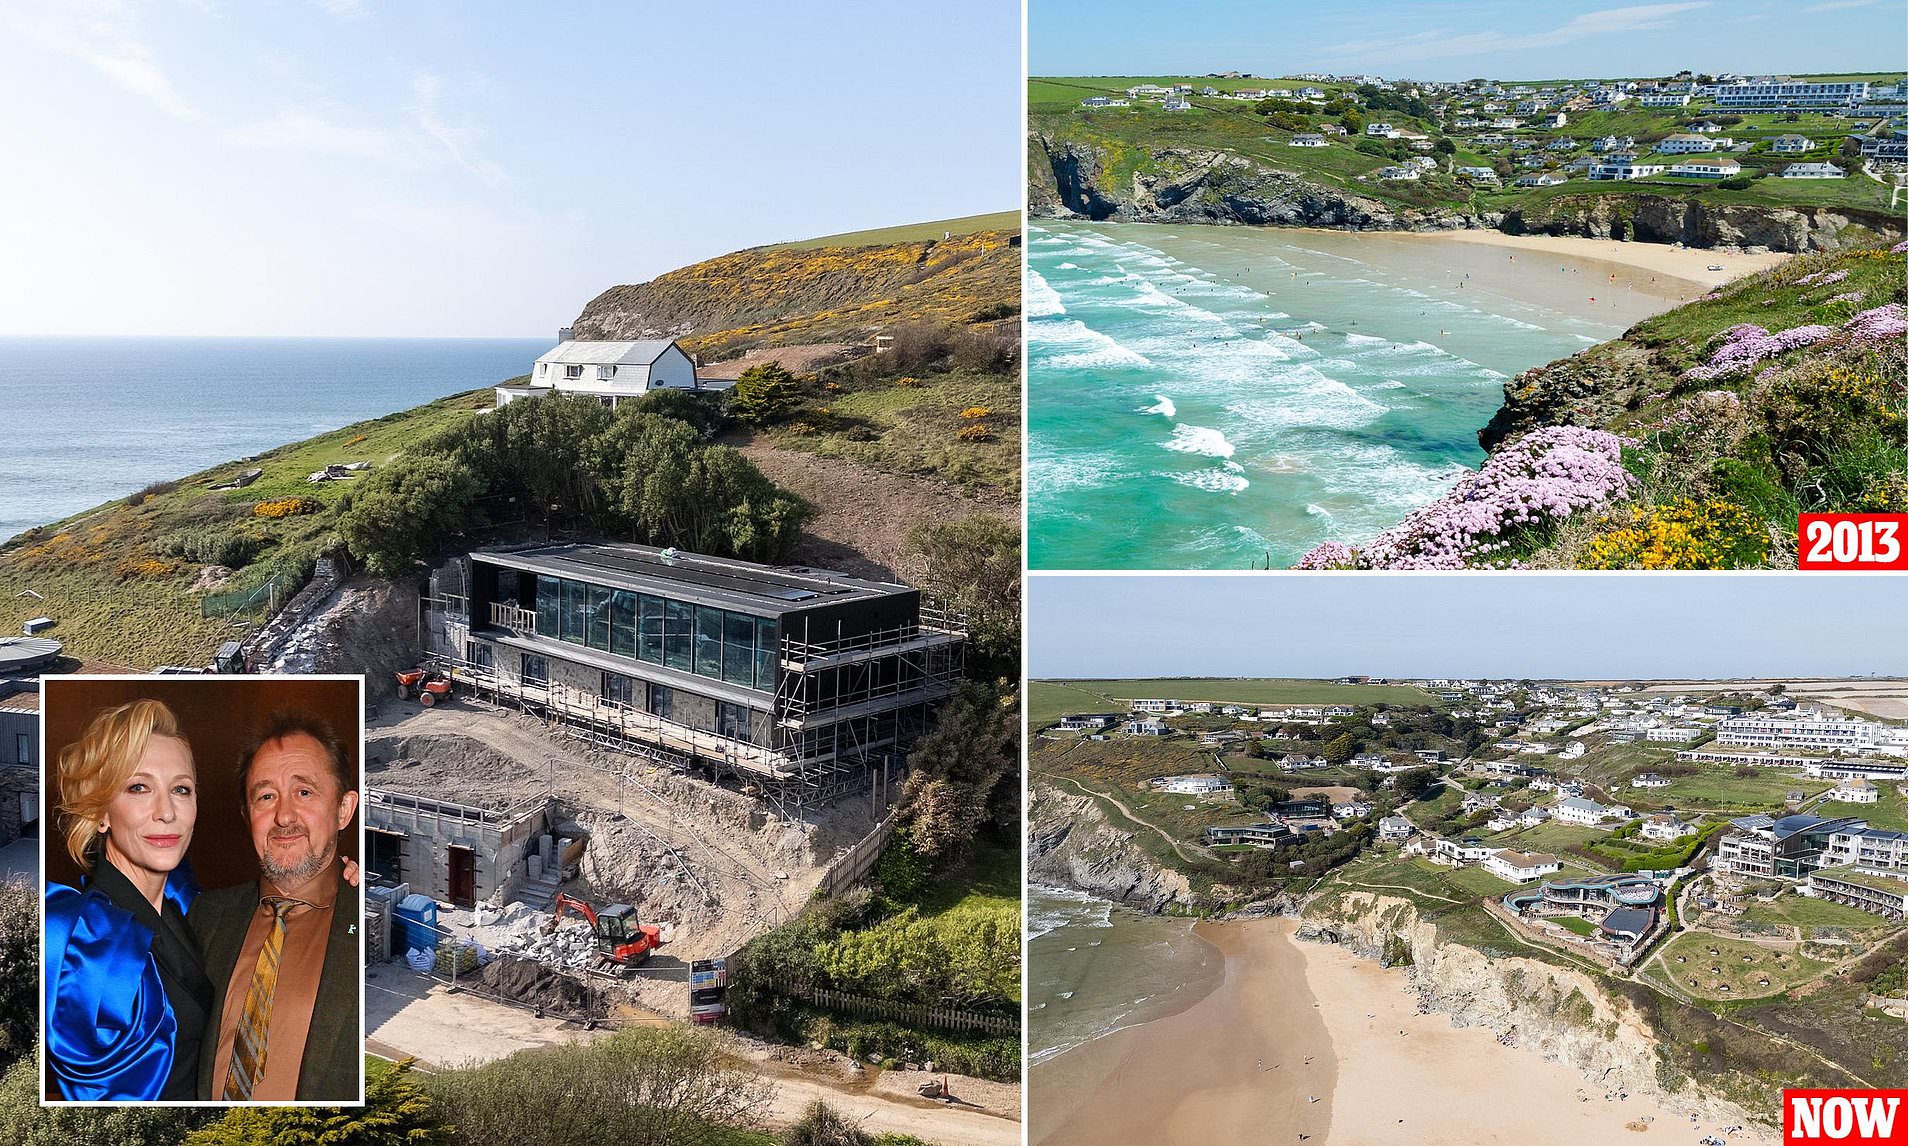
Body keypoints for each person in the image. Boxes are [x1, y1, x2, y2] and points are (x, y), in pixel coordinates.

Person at [44, 700, 214, 1101]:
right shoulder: (77, 940)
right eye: (138, 787)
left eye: (181, 789)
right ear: (101, 811)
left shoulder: (184, 902)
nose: (167, 812)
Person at [191, 710, 361, 1101]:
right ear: (248, 815)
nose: (284, 815)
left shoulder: (365, 921)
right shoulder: (204, 919)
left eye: (304, 792)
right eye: (266, 796)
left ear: (343, 810)